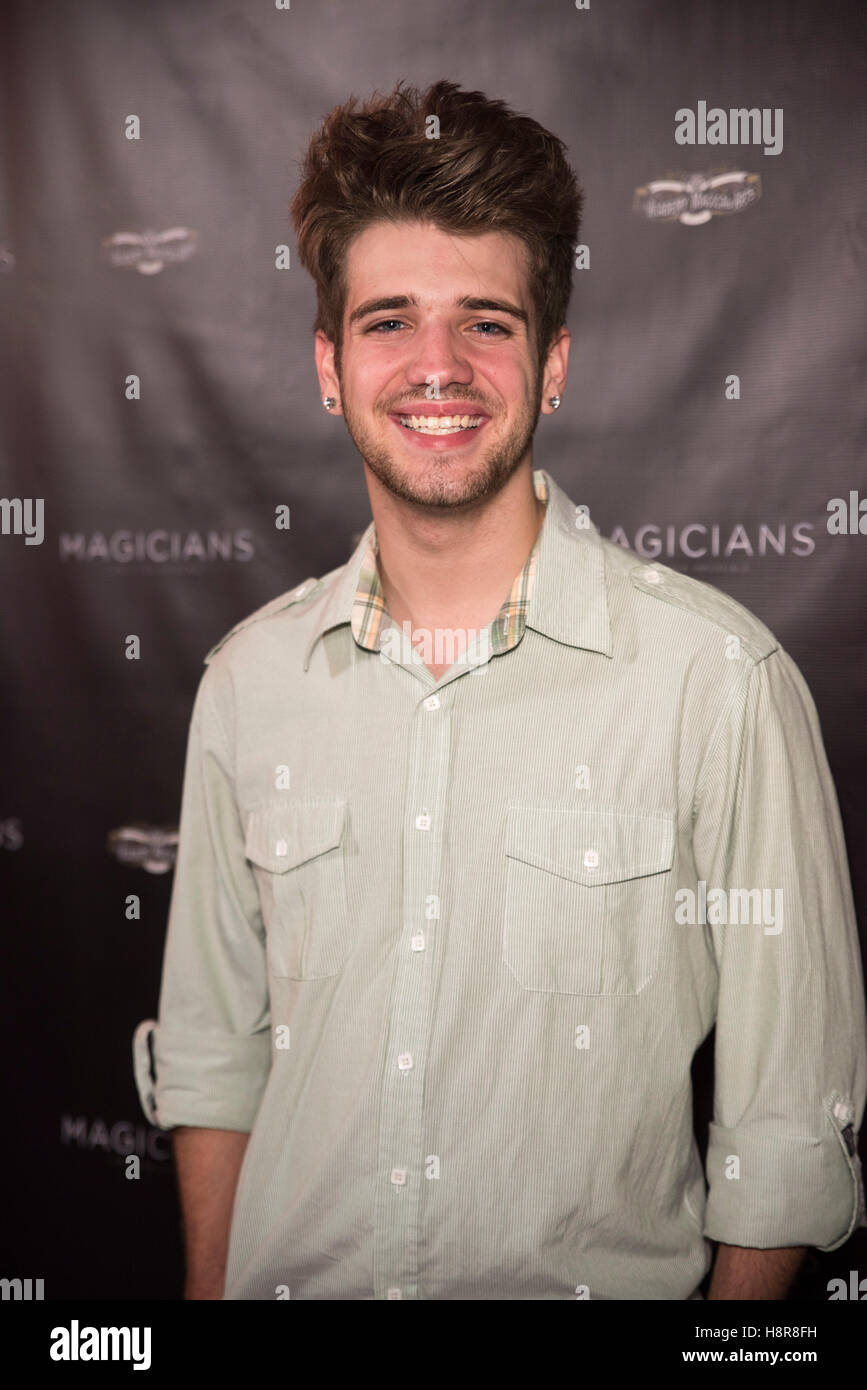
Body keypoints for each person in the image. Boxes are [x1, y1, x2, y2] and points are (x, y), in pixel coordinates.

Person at [132, 79, 866, 1301]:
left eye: (486, 322)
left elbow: (787, 1128)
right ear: (327, 364)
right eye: (387, 323)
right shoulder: (249, 683)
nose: (437, 367)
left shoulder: (718, 684)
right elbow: (215, 1064)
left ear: (554, 360)